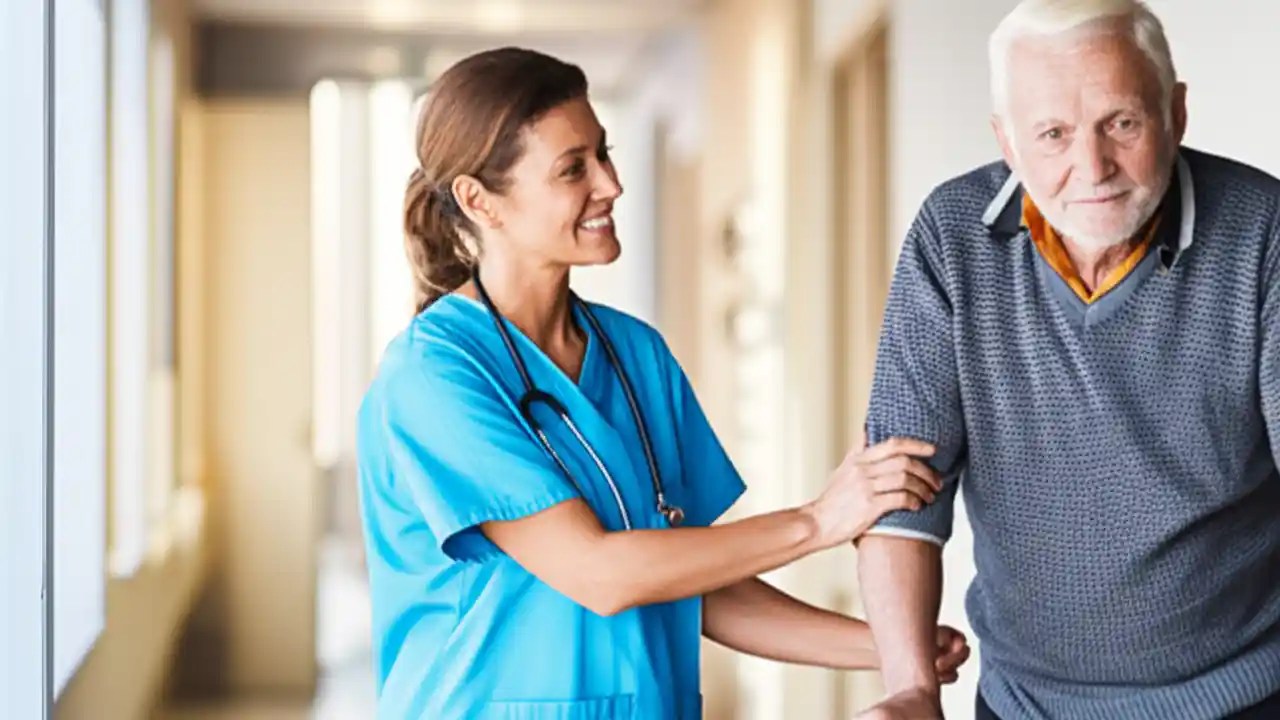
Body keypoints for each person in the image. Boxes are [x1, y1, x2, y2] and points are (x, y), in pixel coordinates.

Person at [355, 47, 969, 719]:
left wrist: (891, 648)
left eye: (603, 153)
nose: (610, 184)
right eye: (573, 169)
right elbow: (599, 573)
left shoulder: (634, 354)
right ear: (479, 200)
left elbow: (694, 582)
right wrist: (819, 520)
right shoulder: (434, 375)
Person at [853, 1, 1280, 719]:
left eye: (1122, 123)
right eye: (1052, 134)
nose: (1093, 168)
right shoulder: (951, 238)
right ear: (1008, 142)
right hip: (1025, 704)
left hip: (1243, 695)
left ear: (1175, 112)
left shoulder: (1263, 229)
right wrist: (910, 691)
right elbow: (901, 500)